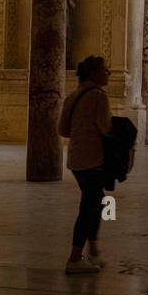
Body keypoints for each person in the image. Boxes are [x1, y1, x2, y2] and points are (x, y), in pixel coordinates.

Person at [58, 55, 111, 274]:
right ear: (93, 74)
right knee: (90, 205)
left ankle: (94, 251)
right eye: (104, 70)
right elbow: (106, 129)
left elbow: (63, 130)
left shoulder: (73, 96)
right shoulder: (98, 96)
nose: (108, 73)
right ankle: (75, 257)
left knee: (96, 201)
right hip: (93, 159)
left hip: (76, 159)